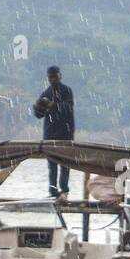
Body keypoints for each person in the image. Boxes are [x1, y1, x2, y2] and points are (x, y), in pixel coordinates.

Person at [33, 66, 76, 197]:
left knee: (65, 163)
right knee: (52, 165)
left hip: (65, 133)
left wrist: (54, 105)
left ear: (60, 76)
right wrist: (38, 106)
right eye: (50, 77)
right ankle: (53, 191)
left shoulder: (67, 91)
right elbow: (38, 115)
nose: (53, 79)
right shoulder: (46, 93)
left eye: (55, 77)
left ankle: (64, 190)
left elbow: (68, 107)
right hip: (50, 133)